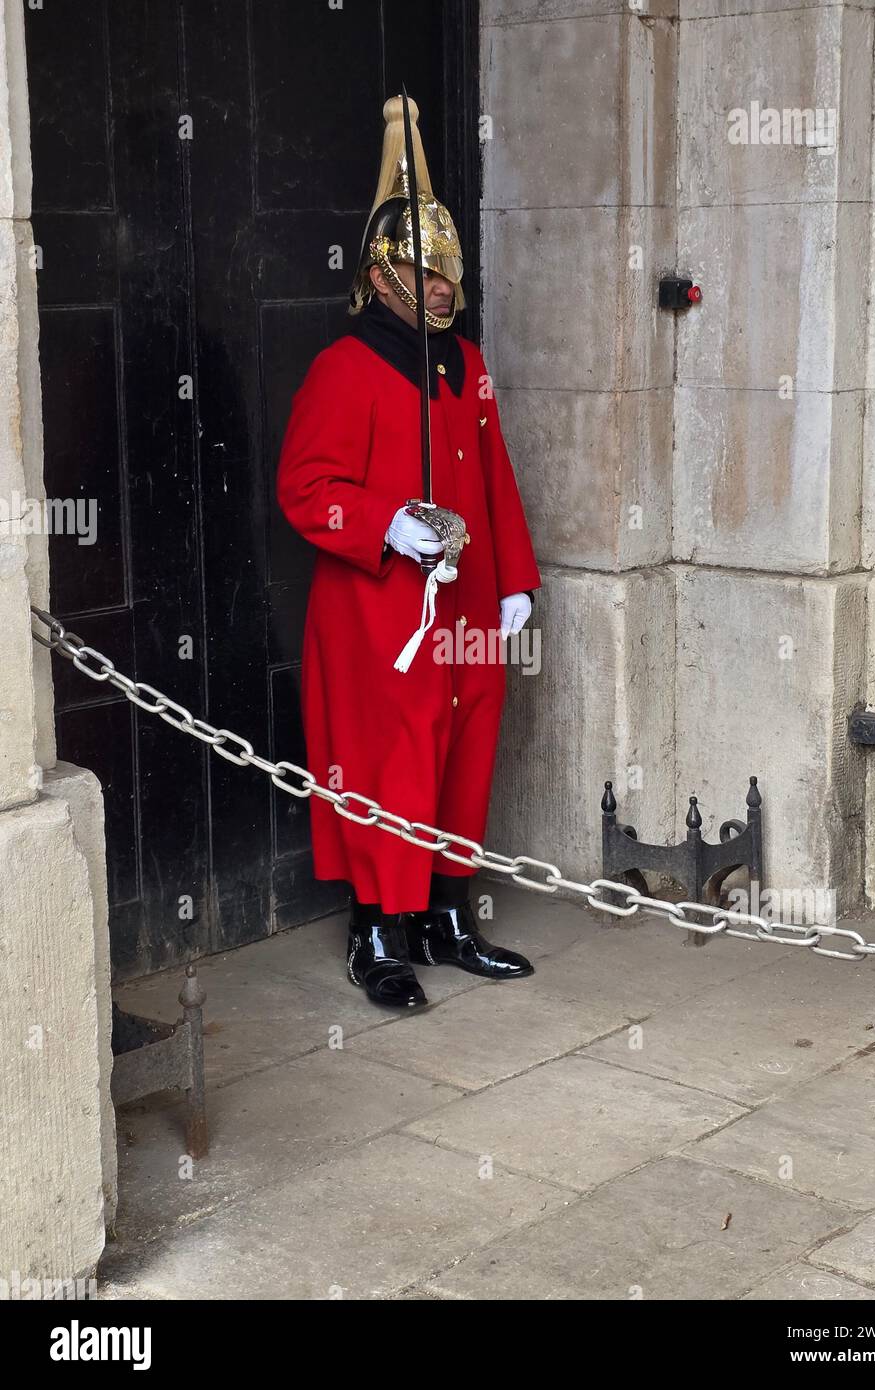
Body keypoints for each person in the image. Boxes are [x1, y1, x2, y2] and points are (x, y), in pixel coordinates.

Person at [276, 97, 541, 1010]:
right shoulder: (342, 368)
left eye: (447, 269)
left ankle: (447, 916)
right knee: (389, 763)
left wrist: (516, 584)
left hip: (465, 604)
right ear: (381, 276)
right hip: (379, 610)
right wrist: (384, 523)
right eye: (421, 271)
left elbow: (495, 481)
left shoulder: (465, 362)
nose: (439, 285)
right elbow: (305, 489)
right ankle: (377, 932)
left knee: (465, 748)